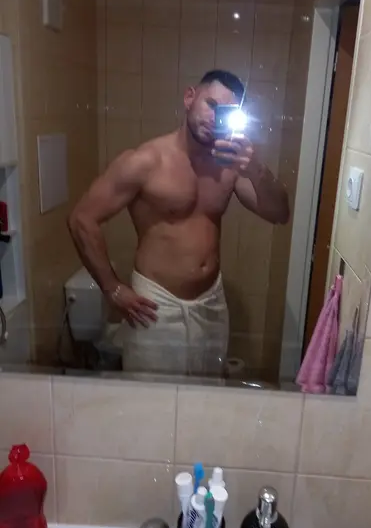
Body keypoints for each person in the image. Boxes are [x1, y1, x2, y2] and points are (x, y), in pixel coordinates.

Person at [68, 70, 289, 375]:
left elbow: (279, 213)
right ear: (189, 98)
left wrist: (255, 169)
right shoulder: (145, 162)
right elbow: (82, 218)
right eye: (210, 104)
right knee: (153, 399)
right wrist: (112, 288)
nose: (213, 117)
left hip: (211, 305)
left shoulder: (232, 167)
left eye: (225, 112)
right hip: (155, 306)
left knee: (206, 397)